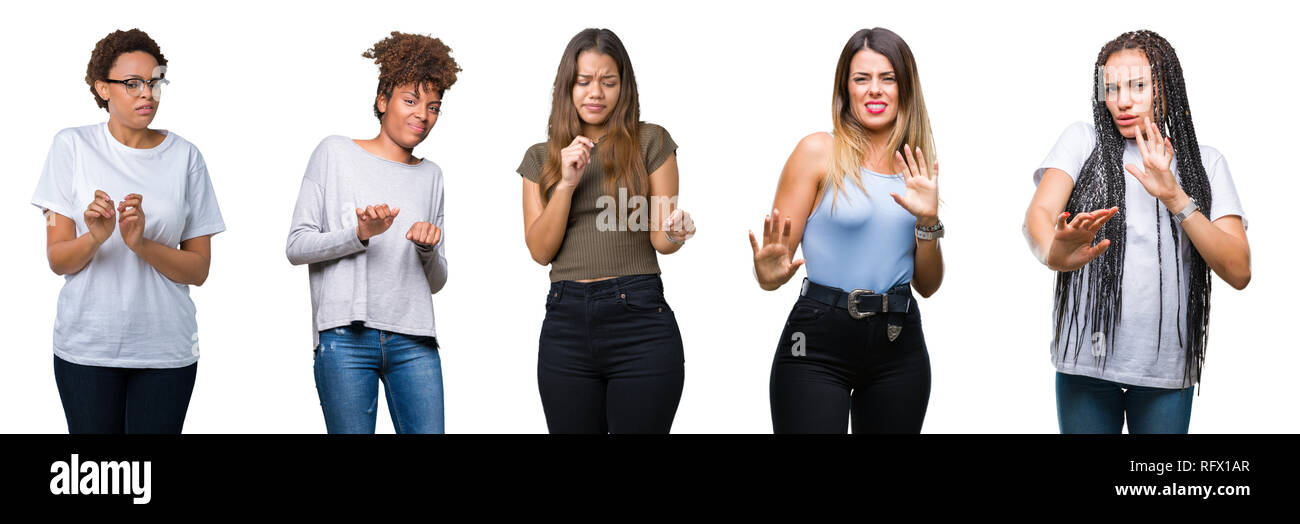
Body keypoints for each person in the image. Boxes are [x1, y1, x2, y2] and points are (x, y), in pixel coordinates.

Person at [1023, 30, 1251, 434]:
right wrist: (1053, 252)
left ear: (1166, 86)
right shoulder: (1082, 141)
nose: (1122, 100)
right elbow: (1038, 215)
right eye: (1110, 88)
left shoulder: (1206, 165)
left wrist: (1175, 196)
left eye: (1138, 86)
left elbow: (1238, 270)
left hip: (1165, 370)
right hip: (1086, 363)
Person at [750, 27, 943, 434]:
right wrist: (769, 270)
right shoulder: (818, 151)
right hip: (816, 341)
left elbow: (928, 284)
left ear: (904, 88)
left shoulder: (916, 168)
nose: (875, 90)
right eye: (862, 79)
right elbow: (769, 276)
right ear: (846, 89)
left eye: (887, 78)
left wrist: (928, 222)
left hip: (899, 341)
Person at [32, 28, 225, 434]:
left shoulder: (186, 157)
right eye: (133, 84)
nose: (148, 94)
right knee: (98, 478)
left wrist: (140, 243)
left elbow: (199, 270)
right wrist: (97, 237)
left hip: (165, 351)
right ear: (103, 88)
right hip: (86, 349)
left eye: (155, 82)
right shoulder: (71, 146)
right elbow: (57, 259)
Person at [517, 28, 697, 434]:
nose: (595, 93)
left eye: (608, 81)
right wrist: (565, 182)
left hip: (640, 320)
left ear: (624, 87)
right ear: (567, 87)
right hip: (566, 324)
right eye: (583, 81)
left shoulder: (651, 142)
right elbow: (540, 251)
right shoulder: (539, 159)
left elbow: (660, 240)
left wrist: (676, 232)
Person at [286, 31, 460, 434]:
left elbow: (436, 282)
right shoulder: (334, 152)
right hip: (345, 338)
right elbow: (296, 246)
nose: (423, 115)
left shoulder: (431, 175)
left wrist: (427, 250)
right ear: (383, 100)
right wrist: (359, 234)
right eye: (411, 100)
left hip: (415, 339)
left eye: (433, 107)